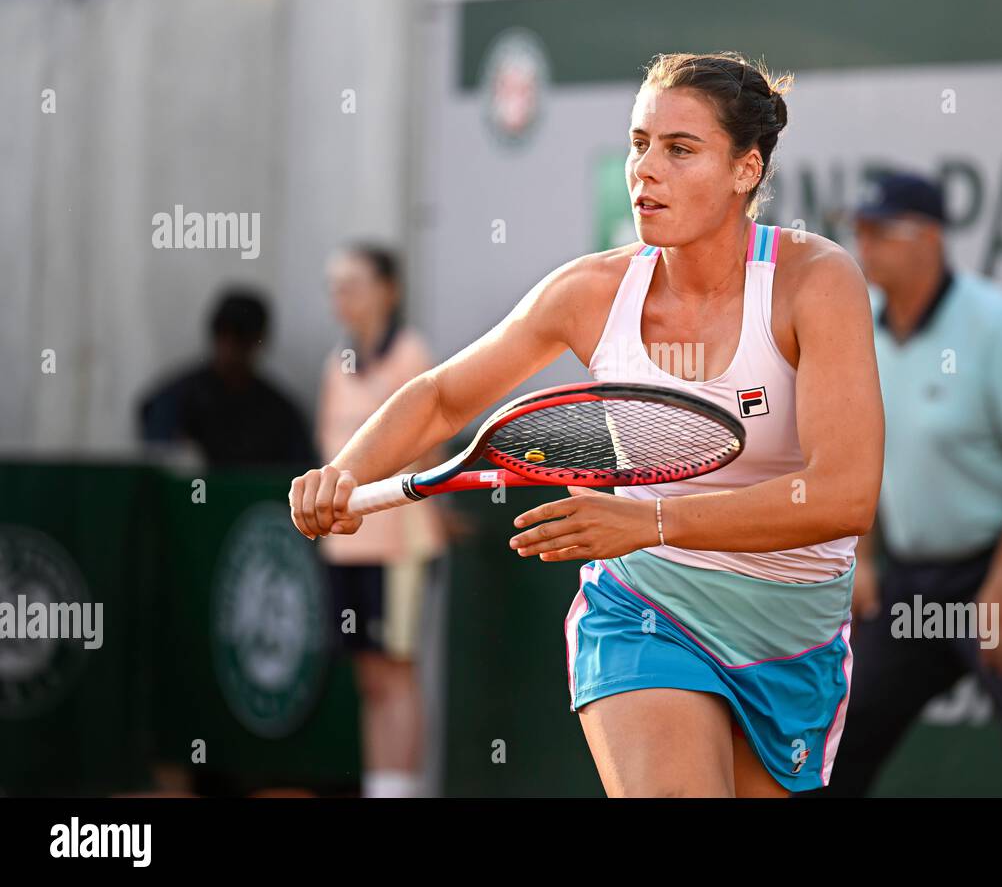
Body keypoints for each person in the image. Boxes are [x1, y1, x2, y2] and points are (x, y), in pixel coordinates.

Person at [289, 52, 885, 798]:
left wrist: (653, 521)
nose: (646, 170)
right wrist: (345, 471)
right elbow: (442, 398)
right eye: (639, 144)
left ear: (745, 170)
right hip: (646, 609)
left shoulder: (816, 282)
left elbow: (842, 496)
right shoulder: (589, 291)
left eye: (679, 149)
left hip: (794, 636)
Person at [806, 170, 1002, 798]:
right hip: (916, 577)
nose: (864, 247)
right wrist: (861, 558)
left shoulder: (994, 323)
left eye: (880, 231)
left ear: (931, 239)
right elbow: (857, 449)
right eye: (858, 232)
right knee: (847, 730)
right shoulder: (858, 324)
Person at [316, 242, 451, 798]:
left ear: (388, 289)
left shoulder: (411, 353)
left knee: (397, 673)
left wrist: (437, 507)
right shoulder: (335, 364)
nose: (341, 297)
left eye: (354, 283)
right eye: (335, 286)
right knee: (370, 678)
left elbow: (427, 449)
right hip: (345, 547)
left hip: (402, 545)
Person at [138, 289, 314, 467]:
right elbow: (157, 448)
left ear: (258, 340)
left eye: (240, 335)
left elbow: (297, 471)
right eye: (221, 332)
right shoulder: (178, 397)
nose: (228, 345)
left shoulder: (280, 413)